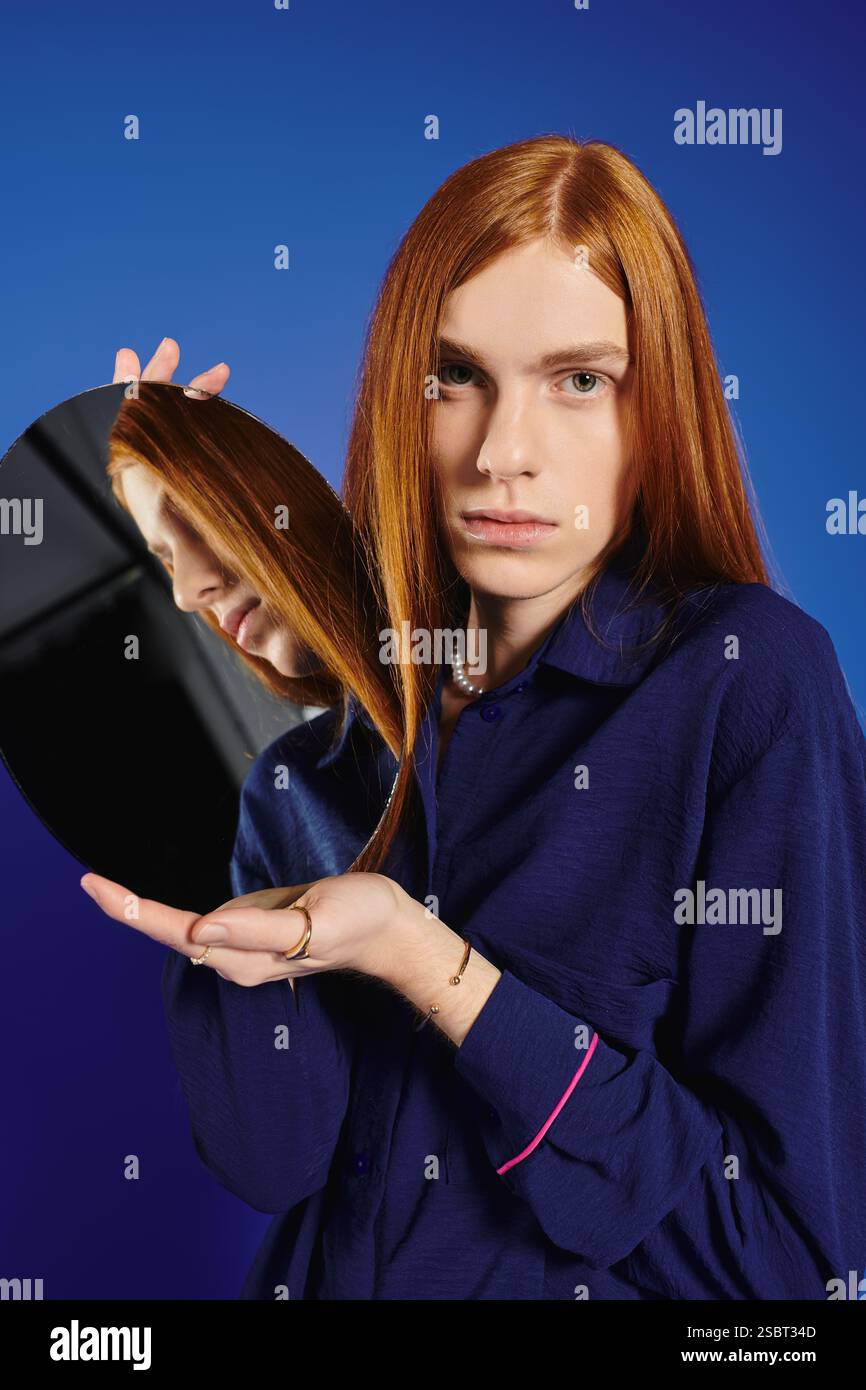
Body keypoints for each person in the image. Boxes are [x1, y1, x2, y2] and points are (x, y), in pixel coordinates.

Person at [82, 135, 866, 1300]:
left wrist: (423, 961)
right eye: (454, 375)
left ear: (658, 410)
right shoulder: (304, 774)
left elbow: (783, 1279)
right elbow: (269, 1159)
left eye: (577, 379)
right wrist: (241, 523)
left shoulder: (747, 686)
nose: (504, 454)